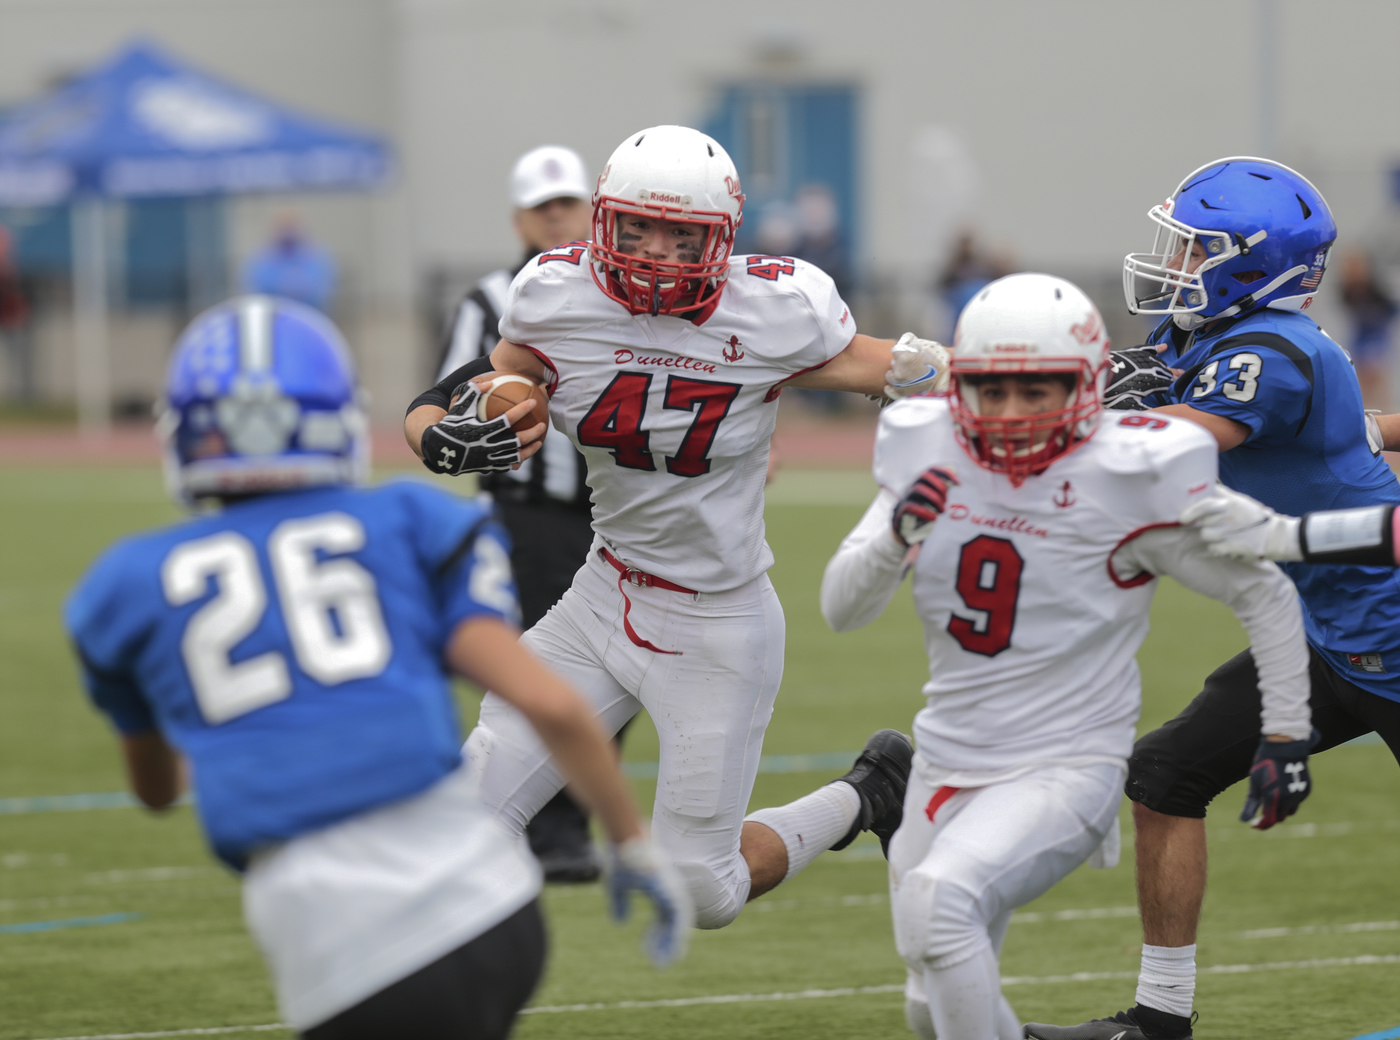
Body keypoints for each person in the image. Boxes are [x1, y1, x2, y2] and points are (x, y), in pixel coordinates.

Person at [64, 295, 687, 1040]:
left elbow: (158, 791)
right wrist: (629, 841)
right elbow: (552, 708)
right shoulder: (411, 522)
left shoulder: (124, 587)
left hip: (351, 953)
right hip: (498, 911)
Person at [403, 124, 952, 932]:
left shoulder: (774, 310)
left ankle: (868, 793)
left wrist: (1036, 378)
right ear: (603, 224)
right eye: (637, 228)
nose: (656, 252)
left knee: (703, 893)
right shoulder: (558, 296)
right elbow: (483, 379)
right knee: (465, 817)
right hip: (602, 594)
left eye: (680, 233)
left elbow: (905, 366)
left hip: (716, 621)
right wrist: (439, 433)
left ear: (722, 239)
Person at [818, 272, 1310, 1040]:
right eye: (994, 391)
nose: (1012, 415)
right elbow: (841, 609)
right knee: (931, 1011)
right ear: (963, 388)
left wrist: (1286, 732)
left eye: (1037, 391)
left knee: (938, 904)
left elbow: (1266, 595)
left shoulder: (1130, 476)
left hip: (1063, 767)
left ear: (1085, 388)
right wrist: (892, 538)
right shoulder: (929, 449)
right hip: (947, 764)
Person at [1028, 157, 1400, 1040]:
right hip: (1325, 633)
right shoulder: (1221, 338)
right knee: (1166, 775)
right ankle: (1159, 1019)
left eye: (1198, 247)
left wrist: (1058, 421)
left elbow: (1170, 448)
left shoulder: (1271, 352)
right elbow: (1330, 435)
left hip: (1389, 629)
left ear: (1254, 261)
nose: (1178, 260)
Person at [437, 143, 607, 883]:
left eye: (567, 203)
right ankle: (542, 826)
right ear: (519, 219)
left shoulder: (616, 294)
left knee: (611, 668)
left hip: (607, 508)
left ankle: (565, 823)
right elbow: (448, 398)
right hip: (525, 514)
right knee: (540, 664)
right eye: (544, 208)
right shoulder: (488, 300)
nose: (557, 217)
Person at [242, 211, 339, 312]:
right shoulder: (262, 257)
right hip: (273, 314)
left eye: (291, 227)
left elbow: (322, 289)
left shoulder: (316, 255)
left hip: (310, 313)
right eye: (283, 227)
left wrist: (299, 286)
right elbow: (254, 288)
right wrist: (280, 285)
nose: (287, 232)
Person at [1337, 249, 1397, 409]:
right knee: (1357, 370)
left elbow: (1391, 309)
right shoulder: (1345, 288)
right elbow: (1347, 307)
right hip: (1360, 331)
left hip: (1376, 331)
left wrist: (1377, 319)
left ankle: (1385, 408)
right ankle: (1363, 407)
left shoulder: (1375, 287)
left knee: (1374, 369)